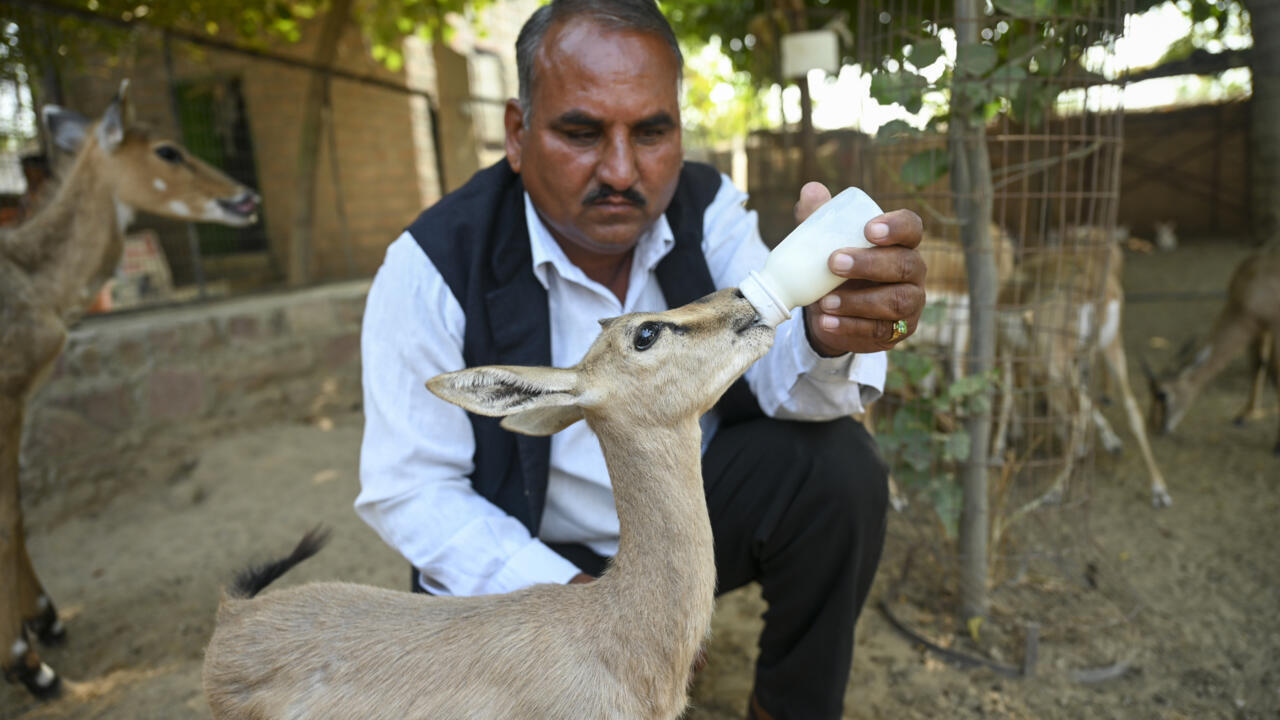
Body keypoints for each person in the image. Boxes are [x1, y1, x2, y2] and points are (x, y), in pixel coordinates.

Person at [356, 1, 926, 717]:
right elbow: (410, 489)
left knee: (837, 471)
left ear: (679, 129)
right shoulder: (433, 263)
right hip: (533, 555)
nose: (622, 170)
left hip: (682, 528)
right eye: (581, 132)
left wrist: (828, 329)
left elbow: (784, 373)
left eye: (652, 132)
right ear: (517, 133)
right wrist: (585, 612)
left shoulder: (707, 207)